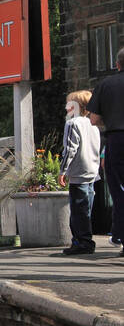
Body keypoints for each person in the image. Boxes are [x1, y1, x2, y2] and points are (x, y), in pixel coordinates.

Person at [88, 49, 124, 253]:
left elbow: (93, 119)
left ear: (117, 64)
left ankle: (120, 233)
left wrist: (110, 119)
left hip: (116, 139)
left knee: (118, 189)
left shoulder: (105, 84)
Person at [61, 90, 101, 255]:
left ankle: (81, 242)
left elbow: (70, 149)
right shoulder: (93, 125)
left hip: (79, 172)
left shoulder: (72, 124)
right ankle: (86, 241)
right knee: (86, 210)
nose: (66, 107)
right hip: (92, 171)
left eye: (69, 104)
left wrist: (63, 170)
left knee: (78, 211)